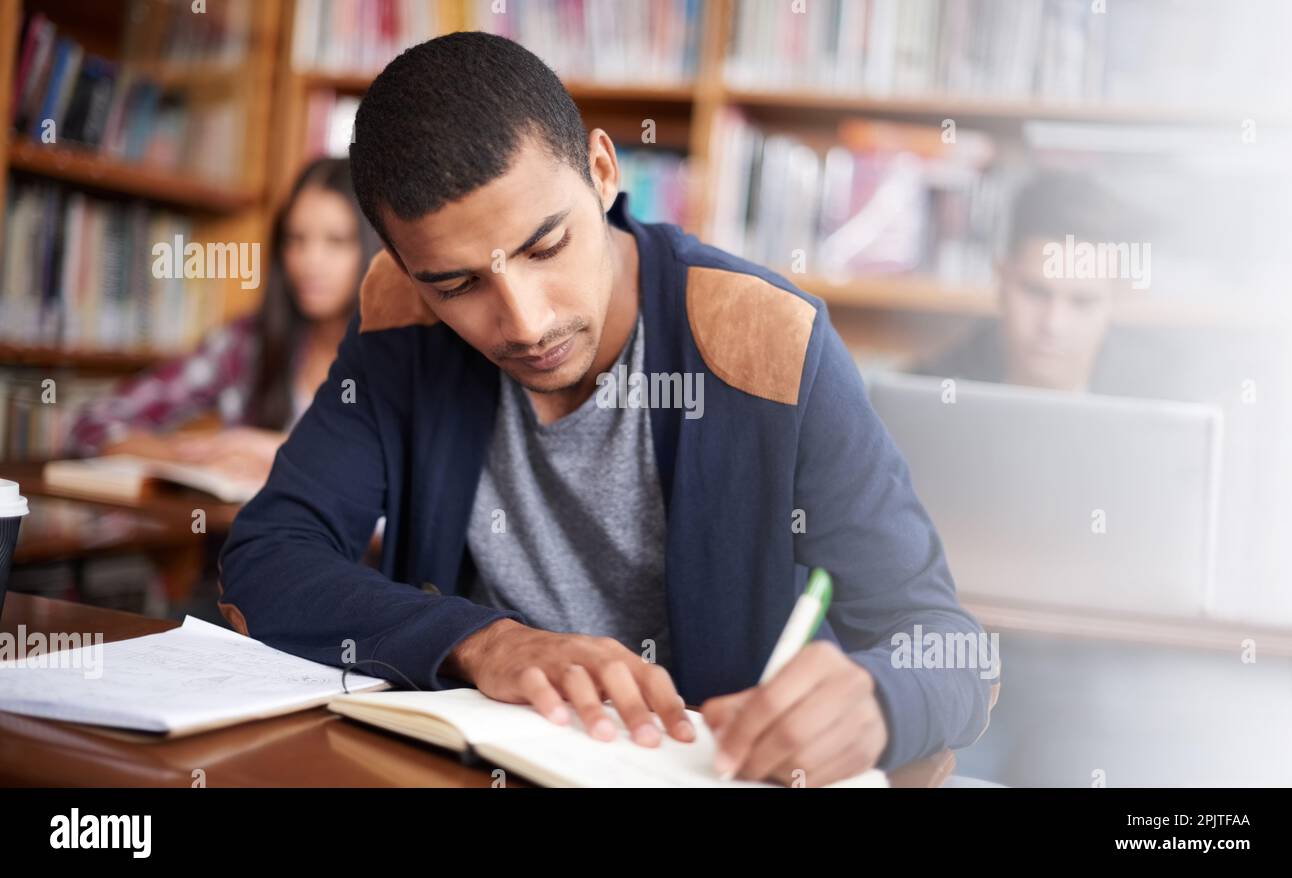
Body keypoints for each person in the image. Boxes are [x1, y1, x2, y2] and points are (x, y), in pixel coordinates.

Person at [218, 32, 998, 787]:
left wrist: (883, 701)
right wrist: (484, 642)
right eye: (457, 286)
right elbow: (270, 555)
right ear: (403, 265)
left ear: (601, 169)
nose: (525, 324)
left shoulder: (771, 338)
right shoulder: (400, 321)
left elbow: (950, 645)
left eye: (546, 246)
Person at [67, 158, 382, 487]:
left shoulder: (403, 355)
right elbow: (93, 424)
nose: (309, 262)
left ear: (376, 249)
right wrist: (196, 457)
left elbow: (400, 477)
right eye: (296, 239)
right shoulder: (245, 343)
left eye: (337, 241)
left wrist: (267, 450)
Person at [914, 172, 1165, 395]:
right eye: (1035, 292)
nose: (1053, 324)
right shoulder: (925, 395)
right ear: (1002, 279)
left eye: (1082, 302)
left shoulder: (1168, 404)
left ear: (1119, 297)